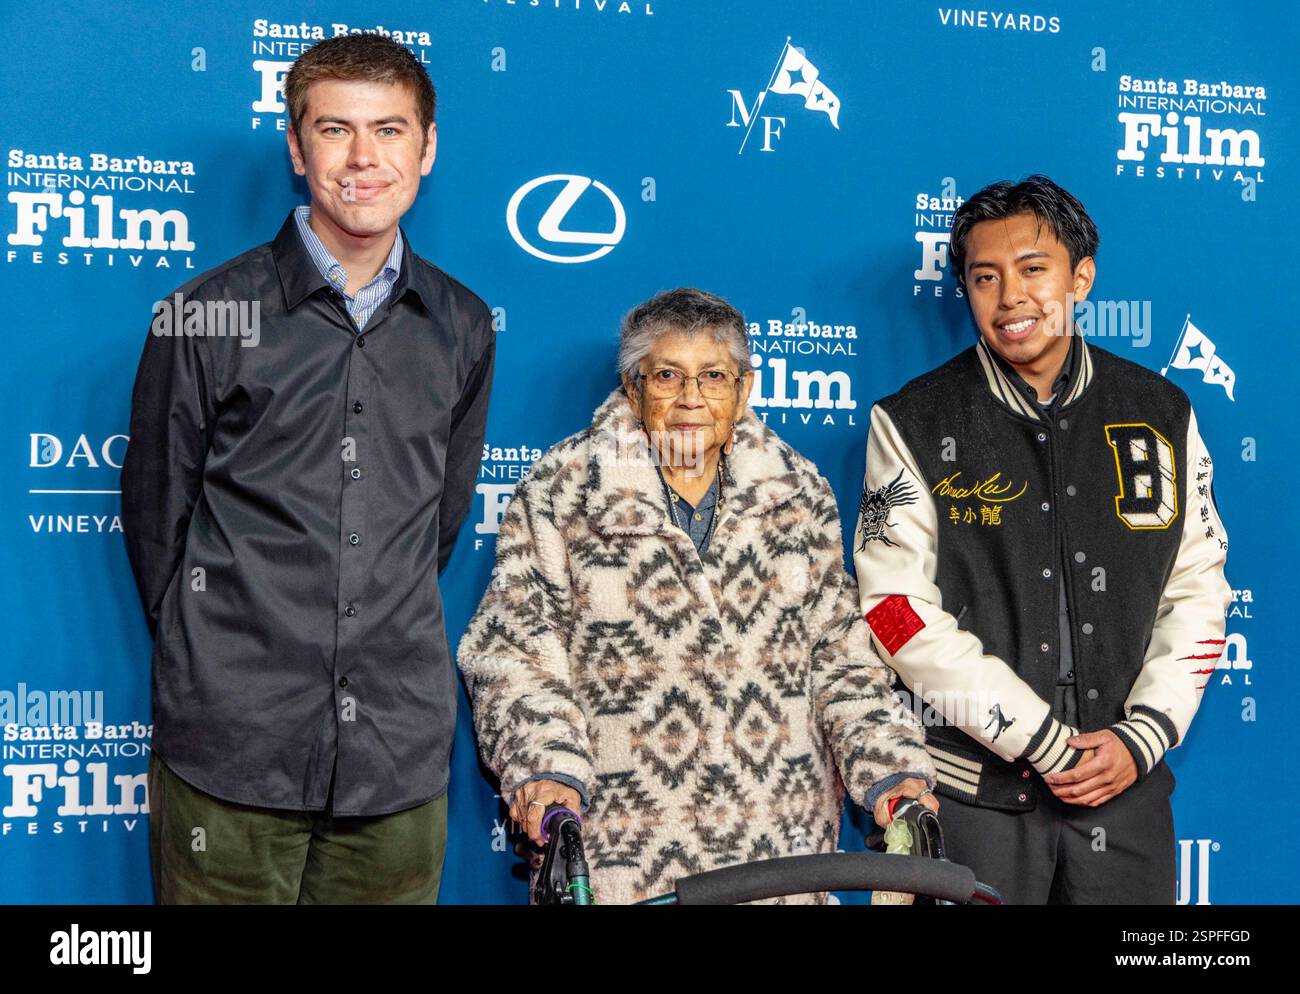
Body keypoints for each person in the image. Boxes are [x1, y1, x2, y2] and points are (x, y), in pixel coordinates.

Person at [121, 34, 495, 904]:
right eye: (335, 130)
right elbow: (157, 526)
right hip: (231, 754)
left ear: (427, 147)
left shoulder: (465, 326)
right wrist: (220, 666)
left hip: (396, 764)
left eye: (390, 130)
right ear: (297, 148)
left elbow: (437, 522)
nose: (364, 158)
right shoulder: (204, 316)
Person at [458, 287, 935, 904]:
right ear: (633, 389)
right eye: (666, 376)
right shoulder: (562, 489)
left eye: (713, 376)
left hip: (782, 851)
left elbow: (842, 660)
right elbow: (513, 655)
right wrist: (545, 770)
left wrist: (890, 767)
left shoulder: (799, 492)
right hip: (624, 850)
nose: (690, 399)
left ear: (742, 389)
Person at [853, 175, 1230, 904]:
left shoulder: (1159, 410)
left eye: (1033, 270)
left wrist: (1142, 735)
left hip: (1126, 794)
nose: (1011, 297)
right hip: (972, 801)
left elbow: (1199, 586)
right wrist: (1041, 741)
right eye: (984, 277)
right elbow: (893, 610)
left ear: (1080, 277)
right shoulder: (911, 420)